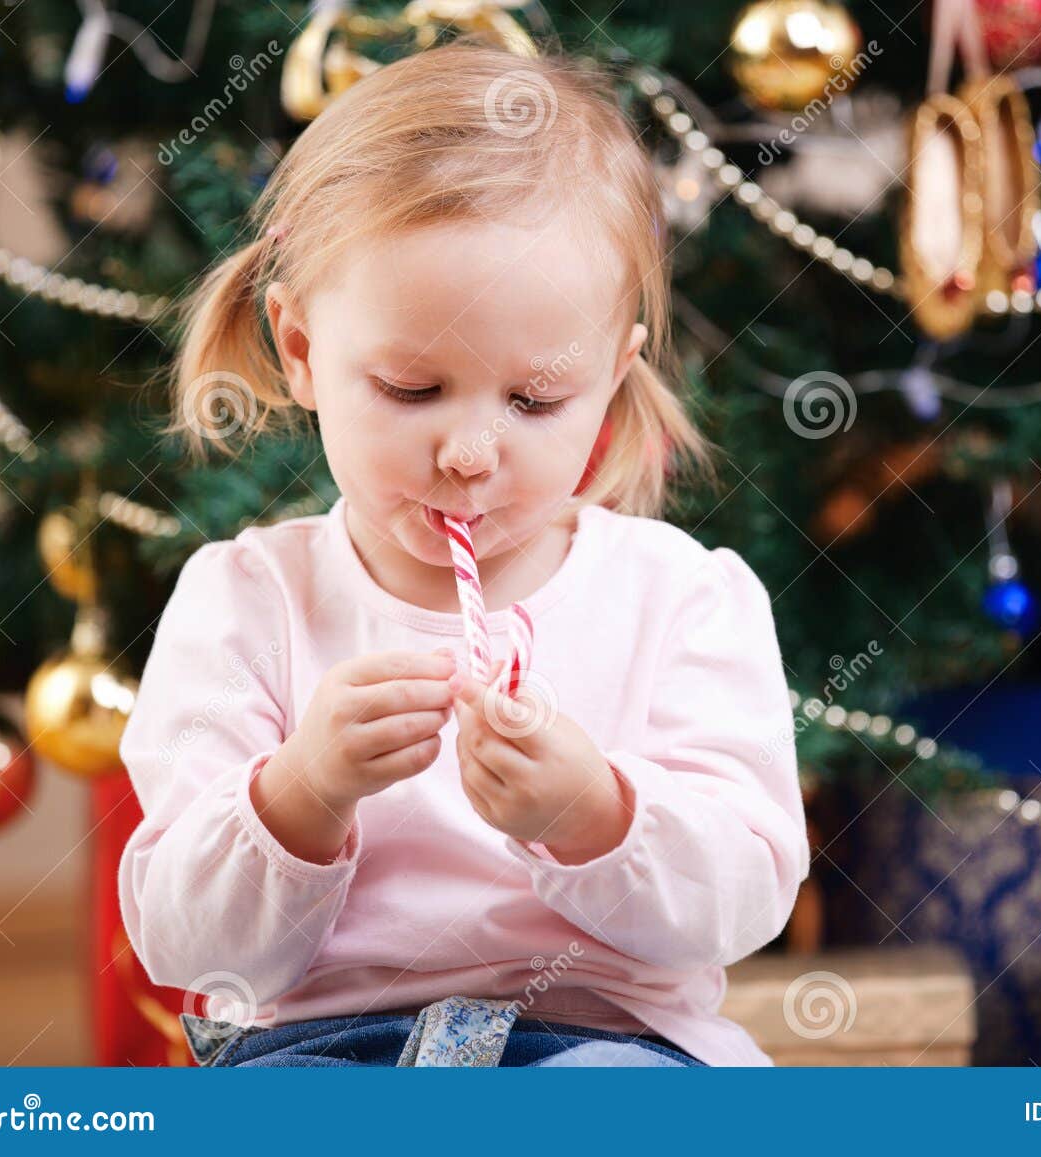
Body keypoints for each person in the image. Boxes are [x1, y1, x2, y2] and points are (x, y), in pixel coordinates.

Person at [117, 43, 809, 1068]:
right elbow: (183, 938)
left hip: (606, 1040)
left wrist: (592, 811)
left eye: (535, 401)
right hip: (320, 1044)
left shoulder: (681, 600)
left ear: (614, 377)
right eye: (410, 387)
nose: (471, 452)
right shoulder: (245, 604)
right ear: (301, 349)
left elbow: (740, 902)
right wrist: (301, 791)